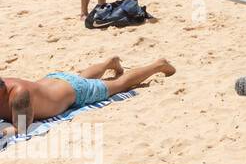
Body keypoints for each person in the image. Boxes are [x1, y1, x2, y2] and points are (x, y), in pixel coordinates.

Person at [0, 57, 175, 136]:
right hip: (56, 82)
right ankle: (109, 63)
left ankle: (158, 65)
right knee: (80, 78)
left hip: (76, 91)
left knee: (119, 85)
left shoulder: (19, 95)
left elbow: (21, 128)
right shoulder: (5, 86)